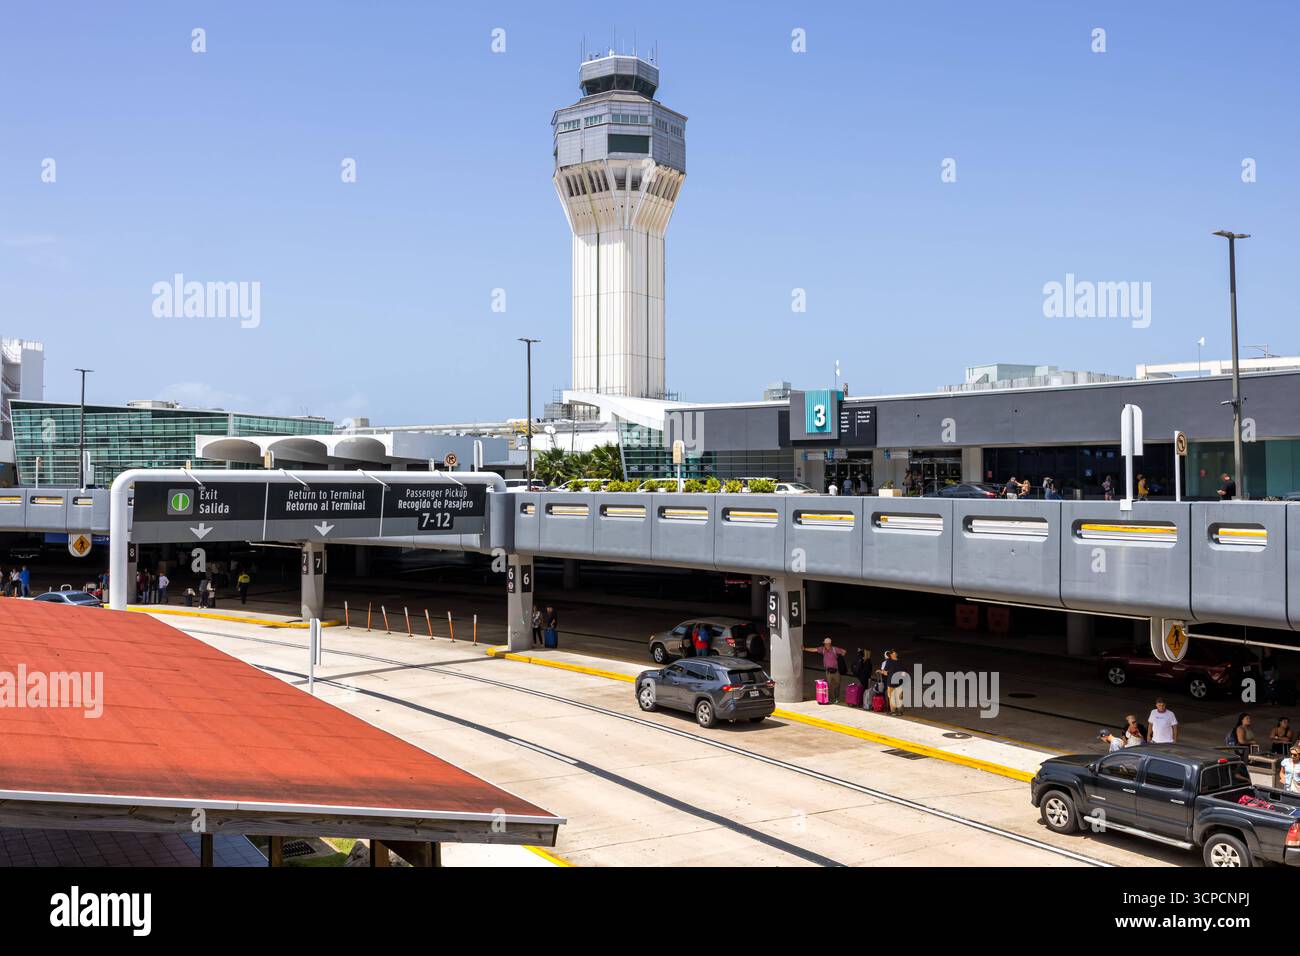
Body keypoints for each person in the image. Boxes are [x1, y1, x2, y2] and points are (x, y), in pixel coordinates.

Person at [802, 637, 846, 704]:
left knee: (837, 685)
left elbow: (844, 651)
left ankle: (836, 698)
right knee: (830, 686)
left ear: (829, 644)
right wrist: (805, 649)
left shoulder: (835, 649)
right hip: (828, 671)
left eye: (826, 644)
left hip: (836, 671)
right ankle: (832, 699)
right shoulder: (823, 649)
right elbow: (814, 649)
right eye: (825, 644)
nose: (825, 645)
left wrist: (841, 655)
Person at [882, 649, 907, 714]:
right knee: (899, 697)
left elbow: (885, 672)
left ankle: (893, 711)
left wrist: (887, 673)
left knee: (892, 697)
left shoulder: (889, 661)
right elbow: (904, 673)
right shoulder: (900, 662)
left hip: (891, 682)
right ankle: (900, 711)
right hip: (899, 682)